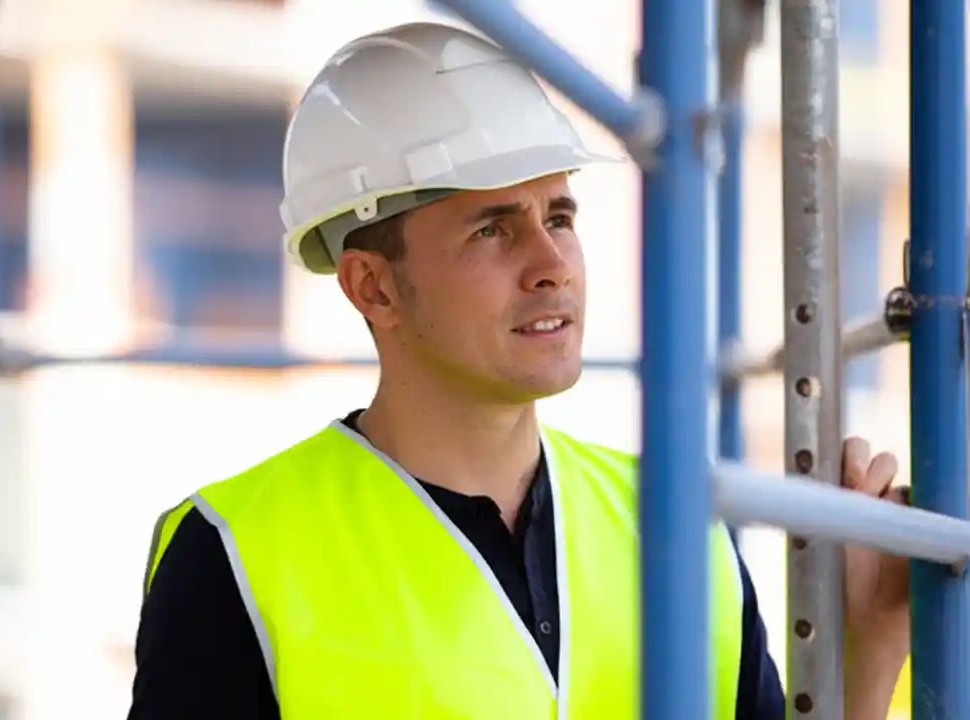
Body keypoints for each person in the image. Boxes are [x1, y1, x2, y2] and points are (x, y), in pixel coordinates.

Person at [128, 21, 910, 719]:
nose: (551, 266)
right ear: (374, 286)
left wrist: (867, 653)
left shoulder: (682, 526)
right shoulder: (232, 556)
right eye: (492, 230)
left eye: (559, 218)